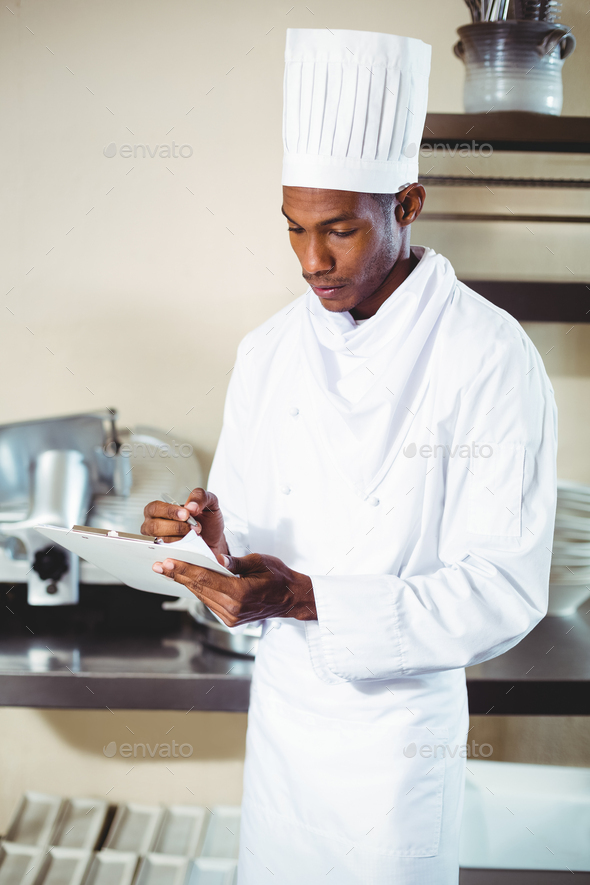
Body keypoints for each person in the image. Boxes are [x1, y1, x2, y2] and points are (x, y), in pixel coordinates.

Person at [142, 28, 557, 885]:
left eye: (338, 232)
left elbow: (505, 591)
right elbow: (250, 555)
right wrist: (203, 546)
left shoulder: (487, 353)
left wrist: (304, 598)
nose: (310, 262)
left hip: (397, 749)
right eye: (294, 230)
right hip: (286, 736)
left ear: (407, 204)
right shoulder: (268, 351)